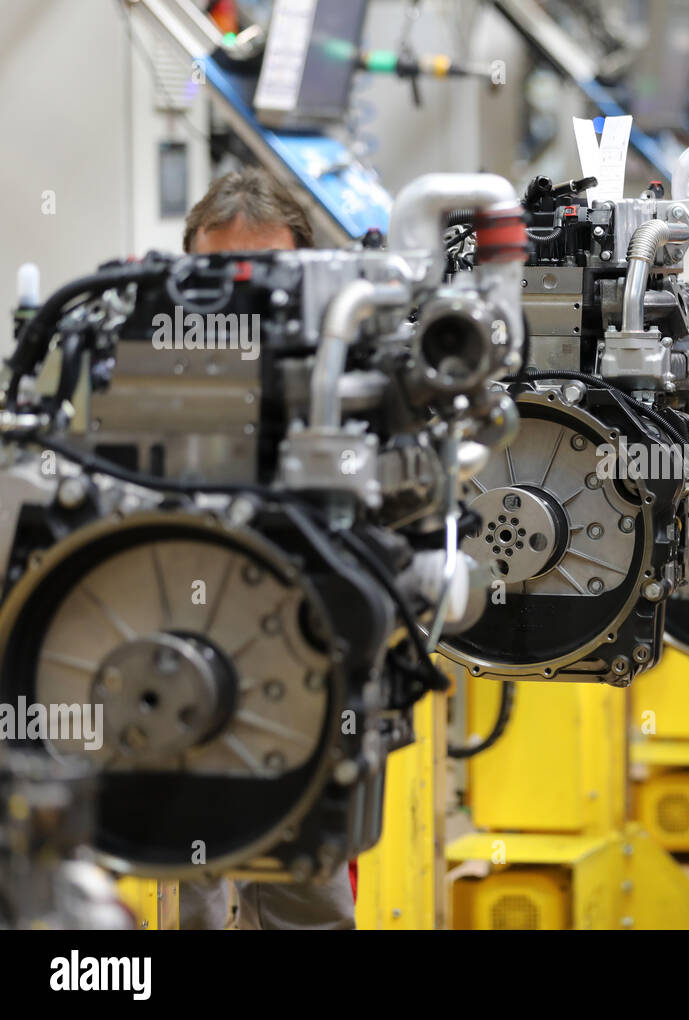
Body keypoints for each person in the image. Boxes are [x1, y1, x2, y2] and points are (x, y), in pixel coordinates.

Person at [176, 168, 356, 931]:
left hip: (299, 657)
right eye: (218, 275)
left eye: (268, 275)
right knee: (180, 869)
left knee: (301, 886)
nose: (242, 302)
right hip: (168, 647)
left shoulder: (348, 378)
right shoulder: (139, 365)